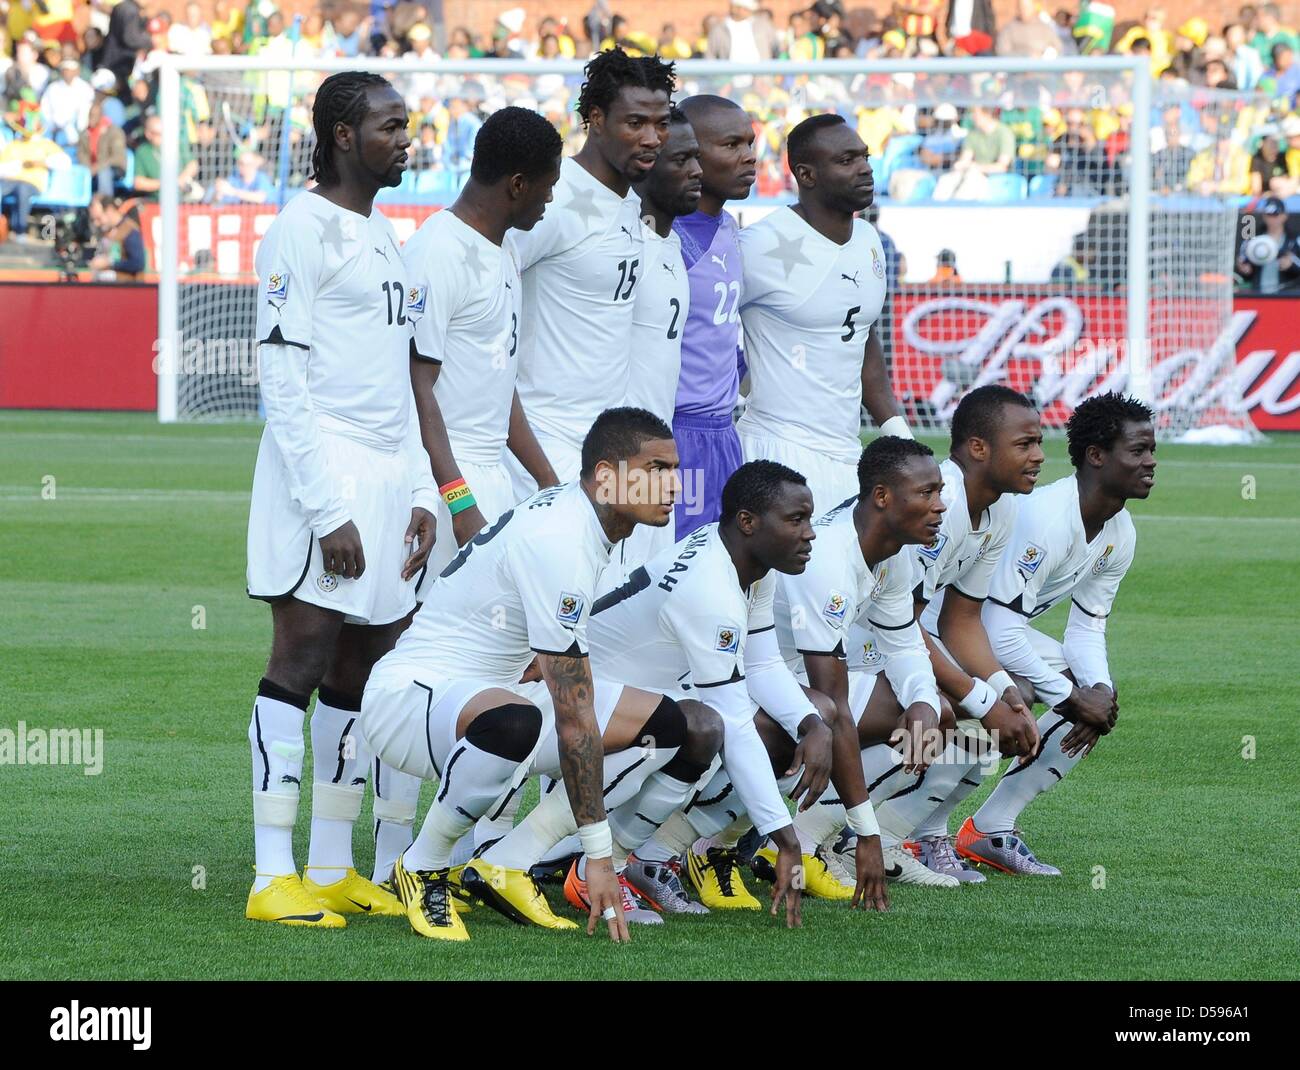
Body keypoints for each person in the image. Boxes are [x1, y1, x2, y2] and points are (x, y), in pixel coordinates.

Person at [359, 408, 682, 942]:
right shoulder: (561, 537)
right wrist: (599, 856)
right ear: (606, 476)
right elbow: (575, 720)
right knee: (520, 721)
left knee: (669, 727)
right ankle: (422, 865)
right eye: (656, 469)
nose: (673, 484)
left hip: (501, 694)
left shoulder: (588, 520)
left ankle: (509, 862)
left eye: (674, 469)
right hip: (410, 698)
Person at [242, 71, 437, 929]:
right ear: (344, 134)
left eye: (408, 125)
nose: (407, 139)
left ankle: (329, 865)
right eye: (392, 126)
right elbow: (282, 380)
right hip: (321, 477)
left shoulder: (384, 233)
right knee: (303, 661)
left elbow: (401, 385)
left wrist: (425, 490)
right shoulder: (301, 228)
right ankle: (268, 874)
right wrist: (328, 511)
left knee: (365, 669)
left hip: (391, 478)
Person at [367, 107, 564, 882]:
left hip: (496, 477)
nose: (548, 202)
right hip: (441, 479)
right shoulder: (438, 255)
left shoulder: (502, 250)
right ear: (518, 183)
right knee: (421, 662)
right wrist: (454, 499)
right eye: (545, 187)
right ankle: (390, 859)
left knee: (503, 664)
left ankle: (473, 849)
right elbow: (420, 388)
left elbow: (497, 386)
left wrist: (550, 485)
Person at [952, 393, 1155, 875]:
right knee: (1015, 692)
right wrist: (1069, 697)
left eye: (1152, 452)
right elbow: (996, 629)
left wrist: (1097, 692)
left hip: (990, 629)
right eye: (1139, 451)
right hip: (944, 631)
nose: (1150, 463)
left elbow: (1087, 627)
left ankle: (990, 829)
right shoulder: (1045, 516)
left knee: (1096, 695)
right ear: (1096, 455)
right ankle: (918, 833)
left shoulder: (1119, 531)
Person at [867, 386, 1046, 881]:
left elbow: (960, 620)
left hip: (905, 637)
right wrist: (983, 702)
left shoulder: (1001, 507)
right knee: (947, 713)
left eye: (1039, 443)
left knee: (1014, 699)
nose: (1038, 457)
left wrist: (1005, 695)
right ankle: (848, 835)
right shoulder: (934, 503)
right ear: (978, 448)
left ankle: (901, 834)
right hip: (859, 643)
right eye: (1025, 443)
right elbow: (901, 626)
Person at [507, 48, 674, 495]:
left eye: (662, 123)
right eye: (635, 123)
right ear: (596, 119)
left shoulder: (632, 203)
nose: (653, 137)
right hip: (542, 448)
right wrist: (538, 468)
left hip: (605, 451)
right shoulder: (554, 200)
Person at [737, 113, 911, 515]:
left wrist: (898, 434)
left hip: (848, 455)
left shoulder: (869, 241)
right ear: (806, 174)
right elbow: (700, 324)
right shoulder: (760, 245)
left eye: (865, 157)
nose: (865, 168)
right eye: (847, 160)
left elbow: (862, 339)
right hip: (776, 452)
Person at [668, 95, 756, 539]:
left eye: (751, 143)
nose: (749, 156)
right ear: (691, 154)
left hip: (725, 434)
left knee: (725, 573)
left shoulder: (729, 227)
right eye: (732, 145)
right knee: (671, 574)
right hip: (675, 437)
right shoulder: (663, 235)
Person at [619, 106, 701, 571]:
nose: (697, 172)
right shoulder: (621, 245)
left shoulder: (670, 245)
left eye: (697, 159)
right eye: (682, 160)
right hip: (617, 460)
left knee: (642, 606)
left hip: (657, 458)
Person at [0, 117, 70, 243]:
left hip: (33, 184)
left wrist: (42, 162)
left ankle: (20, 231)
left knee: (22, 189)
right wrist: (16, 166)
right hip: (11, 181)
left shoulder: (45, 144)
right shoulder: (13, 145)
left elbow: (65, 162)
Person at [87, 192, 145, 277]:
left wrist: (110, 263)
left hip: (125, 287)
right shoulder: (106, 231)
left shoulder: (129, 230)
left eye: (99, 218)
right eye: (94, 220)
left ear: (110, 210)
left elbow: (138, 263)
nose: (96, 224)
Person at [77, 101, 128, 198]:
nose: (91, 118)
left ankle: (105, 202)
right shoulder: (85, 134)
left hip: (114, 167)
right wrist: (88, 167)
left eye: (94, 115)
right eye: (90, 115)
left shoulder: (114, 132)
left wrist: (97, 167)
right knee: (80, 172)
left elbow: (117, 157)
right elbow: (81, 153)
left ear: (101, 116)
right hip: (92, 168)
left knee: (104, 172)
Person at [40, 58, 94, 148]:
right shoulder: (53, 88)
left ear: (77, 72)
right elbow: (45, 110)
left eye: (71, 71)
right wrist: (53, 126)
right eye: (65, 70)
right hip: (55, 131)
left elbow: (87, 111)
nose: (68, 73)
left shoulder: (85, 88)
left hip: (79, 132)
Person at [706, 0, 778, 60]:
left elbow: (775, 49)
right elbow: (710, 56)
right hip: (729, 75)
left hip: (760, 75)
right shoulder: (719, 30)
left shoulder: (763, 25)